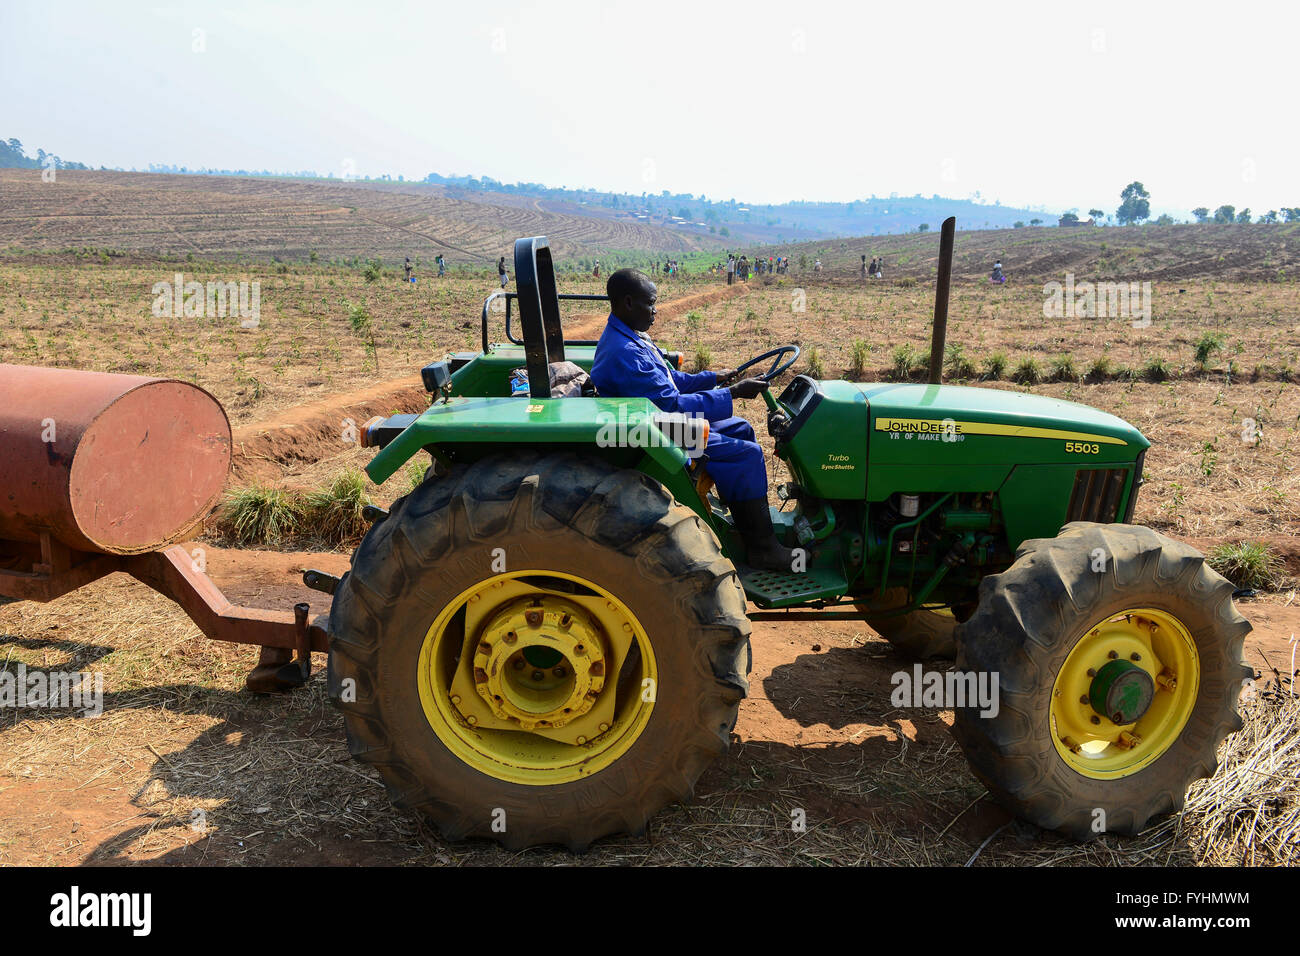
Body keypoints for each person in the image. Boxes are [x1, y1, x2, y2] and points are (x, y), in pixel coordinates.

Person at [590, 269, 794, 571]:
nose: (656, 311)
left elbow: (670, 381)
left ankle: (741, 521)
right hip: (655, 431)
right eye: (651, 303)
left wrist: (713, 378)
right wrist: (733, 393)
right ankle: (764, 549)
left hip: (657, 420)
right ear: (628, 303)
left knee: (741, 428)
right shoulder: (624, 353)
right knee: (748, 454)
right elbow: (671, 406)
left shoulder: (631, 337)